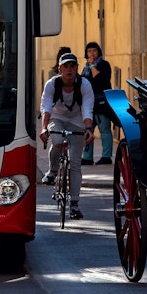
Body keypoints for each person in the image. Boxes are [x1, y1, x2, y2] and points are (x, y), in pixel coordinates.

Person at [38, 53, 94, 220]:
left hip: (77, 120)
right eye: (66, 67)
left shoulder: (84, 84)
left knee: (75, 163)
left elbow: (87, 108)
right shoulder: (51, 84)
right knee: (57, 142)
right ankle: (53, 171)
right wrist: (44, 129)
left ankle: (75, 204)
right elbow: (46, 106)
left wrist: (89, 128)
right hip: (57, 118)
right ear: (60, 69)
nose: (69, 70)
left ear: (77, 69)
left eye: (72, 66)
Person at [81, 42, 113, 166]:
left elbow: (100, 80)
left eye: (94, 50)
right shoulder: (85, 68)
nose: (92, 53)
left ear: (98, 52)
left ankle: (106, 156)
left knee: (104, 130)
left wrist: (93, 66)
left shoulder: (104, 65)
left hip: (101, 103)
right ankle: (87, 157)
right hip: (89, 105)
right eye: (89, 51)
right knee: (88, 130)